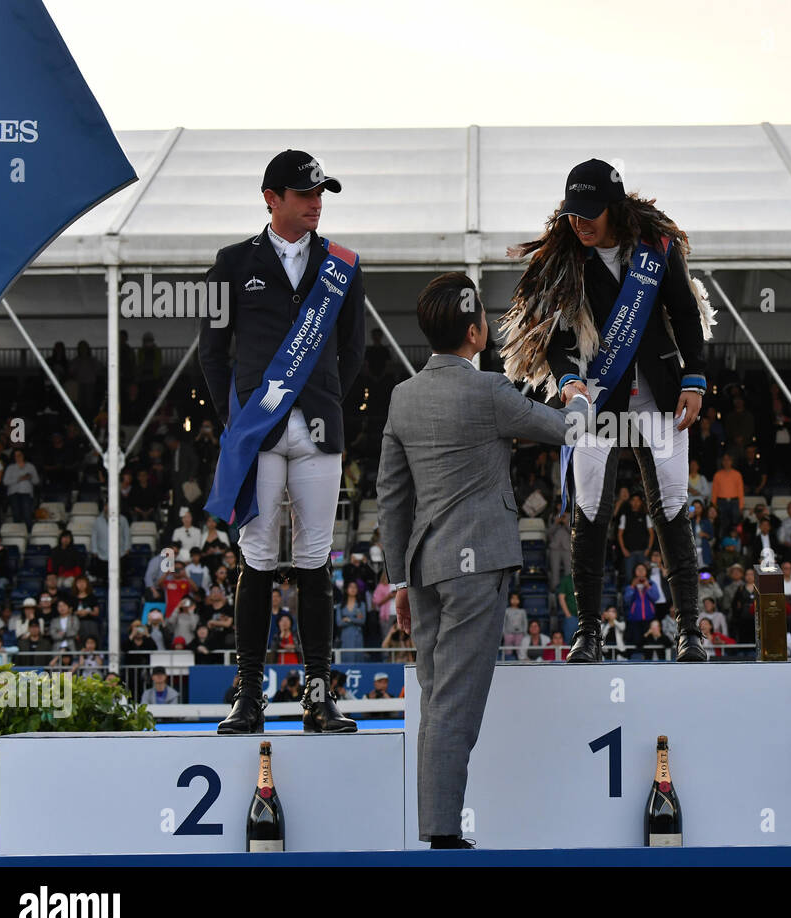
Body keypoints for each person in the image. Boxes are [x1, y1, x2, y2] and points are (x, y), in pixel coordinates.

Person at [375, 272, 591, 850]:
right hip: (477, 565)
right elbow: (568, 430)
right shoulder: (489, 390)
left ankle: (436, 826)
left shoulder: (402, 397)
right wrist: (577, 395)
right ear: (474, 334)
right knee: (454, 703)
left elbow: (392, 500)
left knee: (435, 697)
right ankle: (442, 833)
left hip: (423, 569)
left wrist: (398, 579)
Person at [499, 158, 717, 665]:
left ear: (614, 207)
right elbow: (551, 331)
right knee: (590, 509)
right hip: (597, 395)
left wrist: (695, 378)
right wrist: (567, 377)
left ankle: (690, 630)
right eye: (573, 213)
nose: (580, 224)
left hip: (660, 392)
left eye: (590, 213)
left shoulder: (656, 247)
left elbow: (686, 312)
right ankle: (588, 632)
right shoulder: (565, 256)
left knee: (672, 510)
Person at [200, 149, 365, 735]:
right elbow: (211, 353)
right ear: (271, 198)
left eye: (321, 193)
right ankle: (250, 696)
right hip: (258, 430)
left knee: (317, 561)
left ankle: (319, 697)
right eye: (304, 194)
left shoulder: (342, 264)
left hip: (319, 429)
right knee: (259, 559)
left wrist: (324, 402)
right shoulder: (229, 263)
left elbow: (356, 352)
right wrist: (236, 421)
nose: (316, 202)